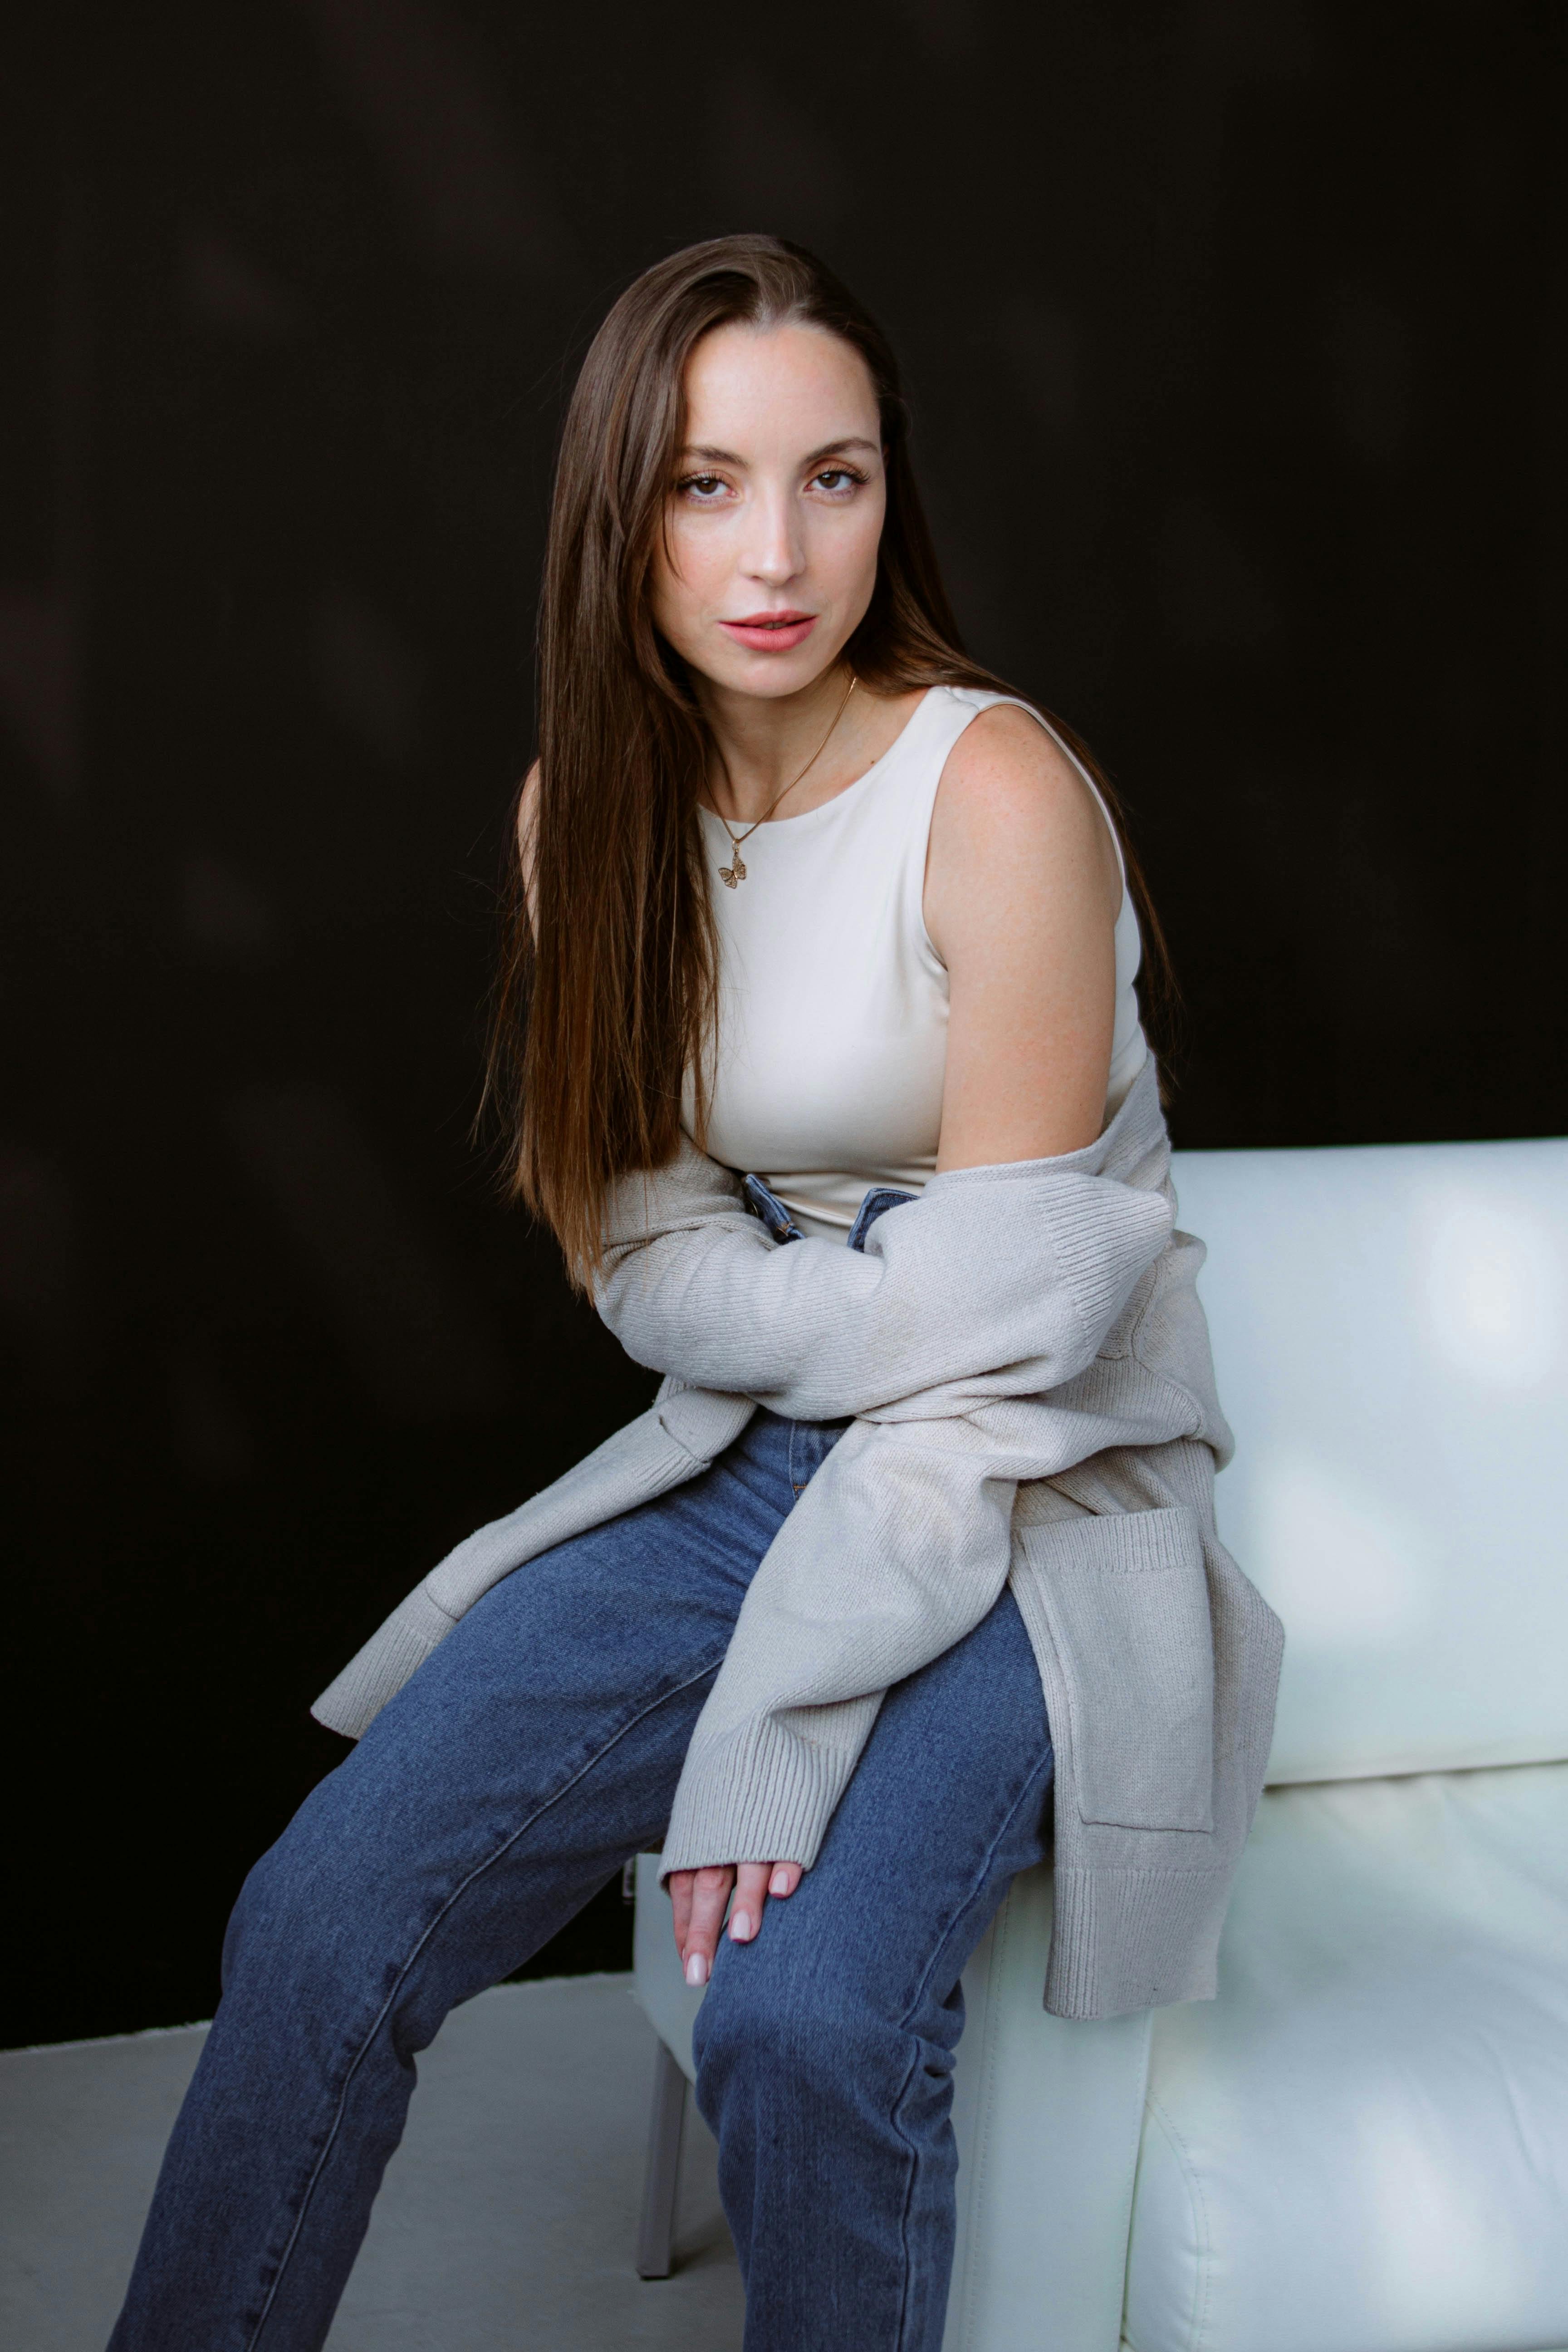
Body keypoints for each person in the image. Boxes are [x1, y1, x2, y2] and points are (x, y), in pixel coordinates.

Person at [110, 234, 1280, 2352]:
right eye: (706, 482)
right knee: (316, 1921)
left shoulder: (995, 789)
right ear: (618, 511)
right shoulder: (594, 817)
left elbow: (1013, 1343)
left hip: (1034, 1493)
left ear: (889, 496)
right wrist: (825, 1323)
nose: (777, 550)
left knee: (808, 2021)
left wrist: (774, 1703)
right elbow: (646, 1260)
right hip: (759, 1463)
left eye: (833, 479)